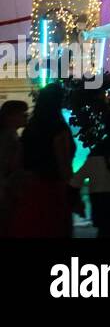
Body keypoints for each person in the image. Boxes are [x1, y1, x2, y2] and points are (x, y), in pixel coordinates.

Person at [9, 84, 78, 237]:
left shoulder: (30, 129)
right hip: (53, 190)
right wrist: (73, 191)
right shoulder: (58, 129)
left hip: (30, 190)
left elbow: (17, 161)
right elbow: (64, 164)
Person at [0, 99, 29, 236]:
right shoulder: (8, 137)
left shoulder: (11, 135)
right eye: (22, 114)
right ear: (10, 116)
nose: (26, 116)